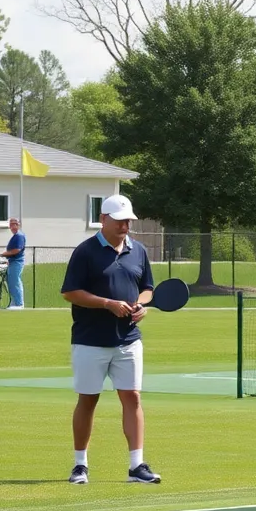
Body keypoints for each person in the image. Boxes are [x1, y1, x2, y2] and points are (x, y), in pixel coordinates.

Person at [59, 195, 160, 485]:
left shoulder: (138, 251)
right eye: (119, 221)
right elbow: (70, 292)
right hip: (90, 340)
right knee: (88, 400)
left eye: (128, 221)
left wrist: (141, 305)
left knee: (132, 397)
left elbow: (148, 288)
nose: (125, 226)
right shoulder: (85, 251)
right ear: (103, 219)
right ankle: (80, 466)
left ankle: (136, 466)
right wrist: (107, 303)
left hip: (128, 339)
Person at [0, 218, 27, 309]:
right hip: (12, 262)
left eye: (14, 224)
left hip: (17, 262)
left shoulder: (19, 236)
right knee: (11, 282)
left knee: (15, 281)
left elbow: (17, 250)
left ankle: (19, 303)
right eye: (11, 225)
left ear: (18, 225)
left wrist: (3, 254)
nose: (12, 227)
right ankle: (15, 301)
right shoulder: (15, 236)